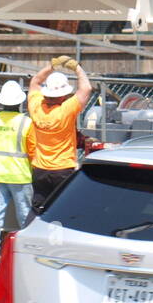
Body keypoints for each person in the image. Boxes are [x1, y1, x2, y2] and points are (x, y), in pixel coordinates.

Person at [26, 55, 93, 216]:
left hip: (40, 169)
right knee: (65, 211)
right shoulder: (65, 111)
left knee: (37, 210)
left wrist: (52, 66)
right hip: (62, 168)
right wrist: (76, 68)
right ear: (63, 95)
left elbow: (35, 81)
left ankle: (32, 234)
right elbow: (86, 88)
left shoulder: (35, 107)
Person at [0, 80, 34, 262]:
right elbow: (32, 149)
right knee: (25, 214)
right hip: (19, 174)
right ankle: (26, 252)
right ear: (20, 101)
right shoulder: (26, 122)